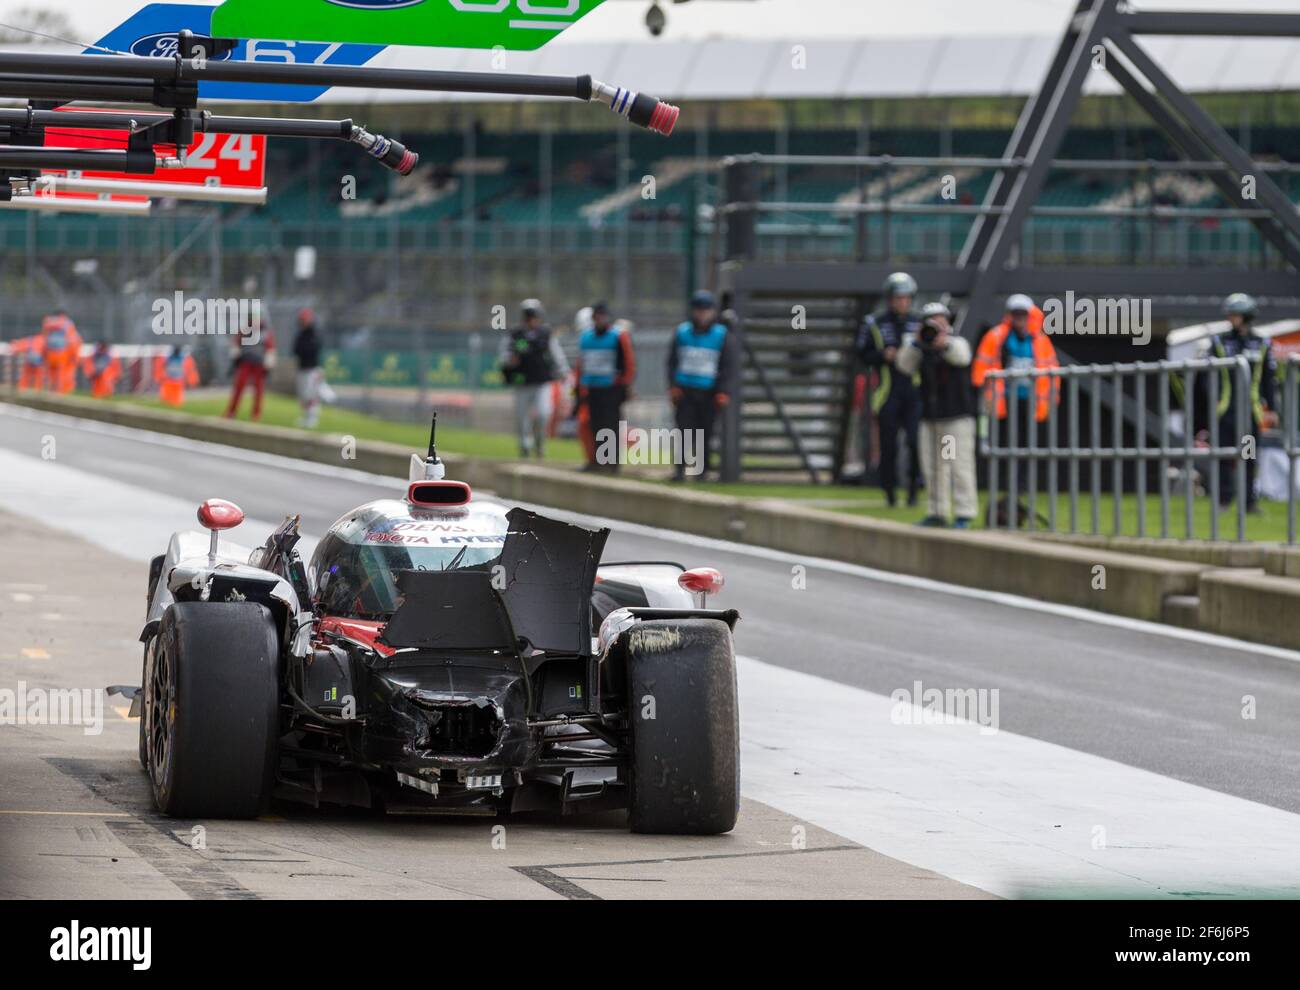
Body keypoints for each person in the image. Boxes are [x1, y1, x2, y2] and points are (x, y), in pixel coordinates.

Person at [1189, 293, 1277, 512]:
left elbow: (1268, 379)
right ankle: (1224, 500)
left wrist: (1272, 409)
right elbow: (1207, 377)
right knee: (1224, 457)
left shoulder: (1261, 343)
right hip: (1225, 412)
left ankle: (1249, 502)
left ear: (1247, 316)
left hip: (1250, 414)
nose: (1231, 318)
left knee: (1248, 457)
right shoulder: (1219, 342)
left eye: (1236, 315)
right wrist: (1213, 400)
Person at [896, 302, 978, 528]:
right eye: (930, 320)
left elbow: (961, 357)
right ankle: (937, 511)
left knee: (959, 466)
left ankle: (964, 513)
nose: (935, 324)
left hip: (956, 418)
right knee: (932, 467)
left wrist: (942, 343)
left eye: (940, 320)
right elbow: (904, 366)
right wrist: (916, 342)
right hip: (930, 417)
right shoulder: (920, 346)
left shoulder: (956, 343)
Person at [972, 293, 1060, 497]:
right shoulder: (996, 337)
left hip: (1032, 402)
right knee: (1004, 445)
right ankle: (1005, 485)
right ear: (1009, 315)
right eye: (1016, 314)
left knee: (1028, 445)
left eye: (1023, 315)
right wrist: (985, 395)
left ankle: (1022, 486)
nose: (1020, 319)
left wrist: (1051, 401)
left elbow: (1053, 372)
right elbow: (981, 370)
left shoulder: (1040, 340)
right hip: (1002, 402)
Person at [857, 272, 923, 507]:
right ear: (889, 299)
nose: (902, 302)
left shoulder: (920, 322)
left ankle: (914, 490)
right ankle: (890, 492)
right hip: (887, 392)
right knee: (888, 445)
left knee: (915, 442)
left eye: (905, 298)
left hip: (913, 393)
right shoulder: (874, 323)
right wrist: (883, 356)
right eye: (897, 298)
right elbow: (862, 354)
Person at [667, 290, 736, 481]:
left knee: (704, 433)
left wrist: (723, 391)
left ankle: (701, 471)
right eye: (699, 310)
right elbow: (672, 362)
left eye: (706, 311)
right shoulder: (682, 332)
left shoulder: (721, 335)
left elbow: (727, 366)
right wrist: (673, 386)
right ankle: (679, 470)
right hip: (685, 391)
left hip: (709, 392)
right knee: (683, 431)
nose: (702, 315)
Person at [499, 299, 568, 459]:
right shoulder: (515, 334)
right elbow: (504, 354)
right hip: (521, 382)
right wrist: (509, 360)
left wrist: (563, 370)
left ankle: (539, 445)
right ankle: (524, 447)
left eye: (534, 316)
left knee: (544, 414)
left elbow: (556, 353)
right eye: (528, 316)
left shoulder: (545, 334)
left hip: (542, 382)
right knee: (521, 418)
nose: (531, 320)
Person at [574, 301, 636, 472]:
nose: (599, 320)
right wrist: (580, 388)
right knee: (595, 425)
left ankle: (612, 462)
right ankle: (596, 460)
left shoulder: (618, 336)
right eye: (597, 316)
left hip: (611, 389)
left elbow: (628, 362)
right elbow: (581, 364)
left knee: (610, 426)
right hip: (593, 388)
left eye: (602, 316)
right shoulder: (586, 337)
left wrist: (624, 385)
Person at [224, 316, 275, 420]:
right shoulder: (244, 331)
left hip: (259, 364)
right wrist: (235, 356)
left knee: (259, 389)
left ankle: (256, 414)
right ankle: (231, 411)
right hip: (245, 362)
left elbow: (270, 349)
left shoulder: (266, 333)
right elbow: (236, 344)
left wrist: (268, 364)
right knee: (239, 386)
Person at [292, 307, 324, 428]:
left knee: (311, 395)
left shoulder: (314, 334)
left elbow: (314, 350)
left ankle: (312, 418)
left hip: (312, 369)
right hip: (302, 368)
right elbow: (296, 350)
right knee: (303, 395)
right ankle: (305, 417)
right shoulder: (300, 334)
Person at [40, 311, 83, 395]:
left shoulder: (48, 322)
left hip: (50, 353)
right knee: (61, 375)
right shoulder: (67, 323)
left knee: (50, 375)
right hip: (62, 353)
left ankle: (50, 392)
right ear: (64, 315)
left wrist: (44, 353)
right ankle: (60, 393)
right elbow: (73, 341)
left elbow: (44, 339)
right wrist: (75, 357)